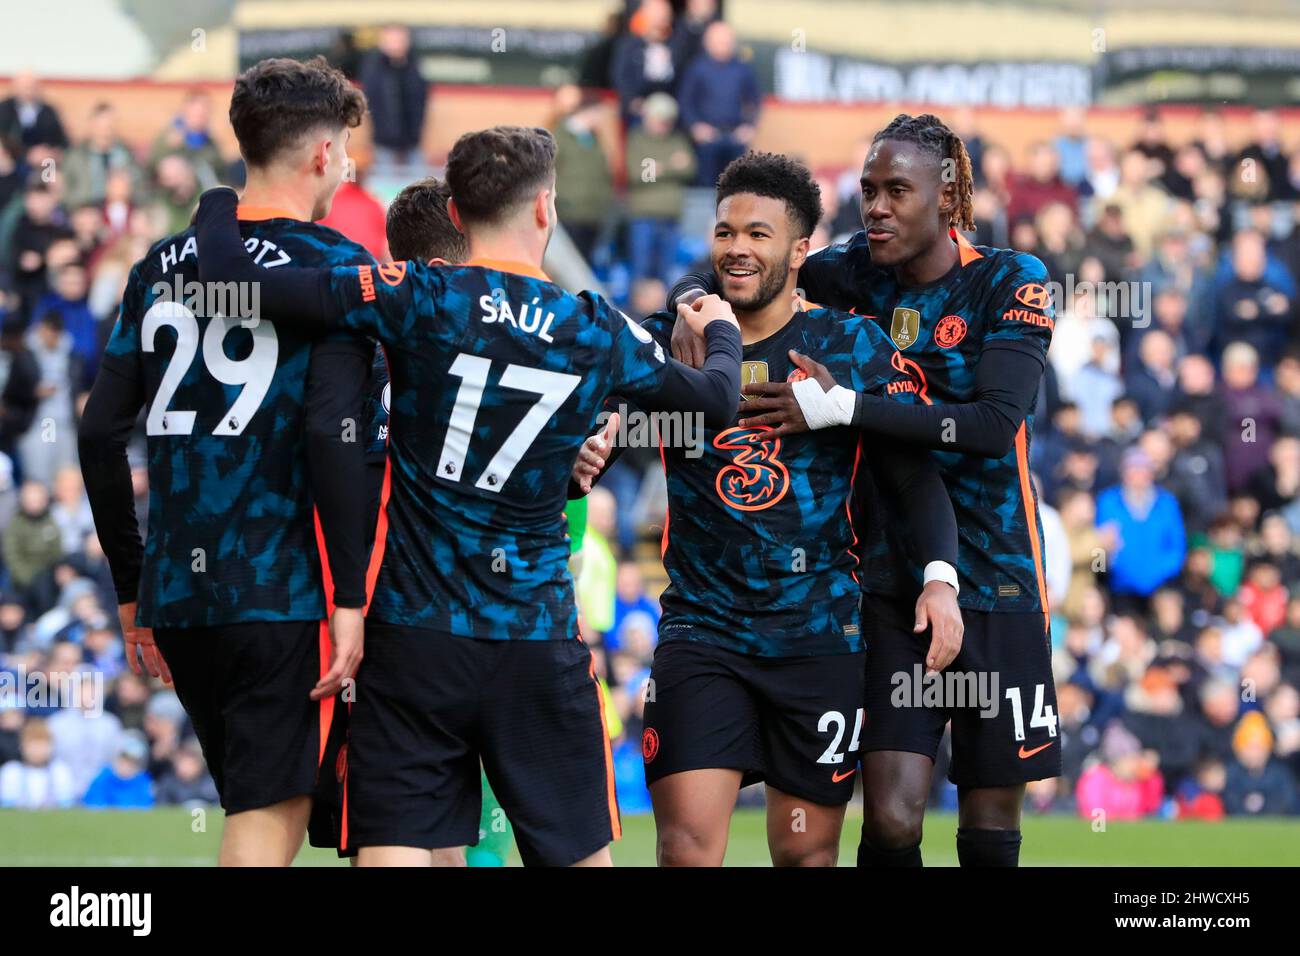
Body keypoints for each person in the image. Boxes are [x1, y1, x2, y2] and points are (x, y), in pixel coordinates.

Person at [190, 124, 744, 867]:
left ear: (454, 213)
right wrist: (722, 329)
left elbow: (240, 286)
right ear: (545, 208)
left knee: (395, 851)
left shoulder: (416, 294)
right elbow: (716, 401)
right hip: (536, 635)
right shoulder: (592, 325)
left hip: (414, 635)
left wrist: (216, 206)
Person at [667, 113, 1062, 867]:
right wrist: (695, 307)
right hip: (887, 571)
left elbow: (992, 424)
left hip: (999, 571)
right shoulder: (852, 269)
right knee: (889, 813)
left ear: (947, 199)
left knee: (988, 810)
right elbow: (740, 263)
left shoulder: (1011, 280)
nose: (875, 208)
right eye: (868, 190)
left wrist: (845, 407)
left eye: (896, 192)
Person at [571, 151, 961, 866]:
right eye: (725, 232)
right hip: (702, 629)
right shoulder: (667, 343)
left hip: (819, 636)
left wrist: (940, 579)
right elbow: (599, 427)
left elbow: (914, 481)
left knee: (805, 854)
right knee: (686, 850)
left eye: (758, 234)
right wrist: (591, 448)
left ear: (800, 250)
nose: (738, 249)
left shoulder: (849, 344)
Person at [77, 56, 375, 866]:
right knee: (265, 825)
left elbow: (98, 434)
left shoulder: (158, 265)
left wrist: (133, 587)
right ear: (323, 154)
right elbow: (334, 435)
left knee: (259, 807)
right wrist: (350, 596)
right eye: (345, 151)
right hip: (280, 594)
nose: (347, 166)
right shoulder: (334, 265)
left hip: (179, 593)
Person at [359, 24, 428, 171]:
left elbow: (420, 101)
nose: (396, 44)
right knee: (383, 180)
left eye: (400, 39)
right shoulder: (374, 68)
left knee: (423, 180)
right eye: (392, 39)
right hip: (384, 142)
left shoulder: (414, 67)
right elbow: (372, 102)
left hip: (412, 141)